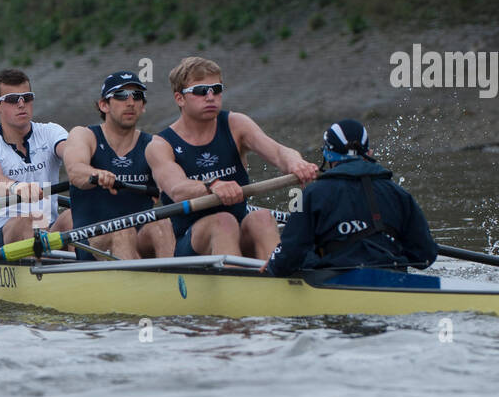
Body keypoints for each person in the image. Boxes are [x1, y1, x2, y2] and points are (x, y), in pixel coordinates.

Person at [147, 56, 318, 259]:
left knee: (262, 217)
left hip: (238, 229)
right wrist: (212, 185)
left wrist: (296, 163)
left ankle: (278, 278)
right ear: (180, 98)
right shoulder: (160, 145)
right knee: (223, 221)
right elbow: (177, 190)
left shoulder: (236, 124)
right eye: (201, 91)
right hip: (191, 243)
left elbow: (279, 152)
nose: (210, 97)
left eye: (216, 89)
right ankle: (241, 282)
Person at [264, 119, 437, 276]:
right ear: (368, 152)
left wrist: (273, 265)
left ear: (327, 154)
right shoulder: (399, 193)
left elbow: (287, 259)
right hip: (394, 280)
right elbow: (425, 255)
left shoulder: (311, 195)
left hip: (335, 283)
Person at [65, 71, 174, 259]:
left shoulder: (154, 145)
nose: (130, 102)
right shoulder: (84, 135)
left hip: (140, 236)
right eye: (121, 96)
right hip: (92, 239)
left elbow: (173, 183)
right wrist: (96, 174)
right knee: (124, 231)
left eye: (137, 96)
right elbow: (75, 171)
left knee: (162, 224)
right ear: (103, 105)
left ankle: (178, 283)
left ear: (143, 106)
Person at [0, 69, 72, 249]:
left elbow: (73, 154)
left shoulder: (51, 132)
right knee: (29, 219)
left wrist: (84, 166)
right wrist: (15, 187)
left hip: (48, 228)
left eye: (27, 97)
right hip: (1, 235)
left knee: (73, 215)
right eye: (13, 99)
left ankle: (88, 271)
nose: (21, 104)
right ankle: (45, 271)